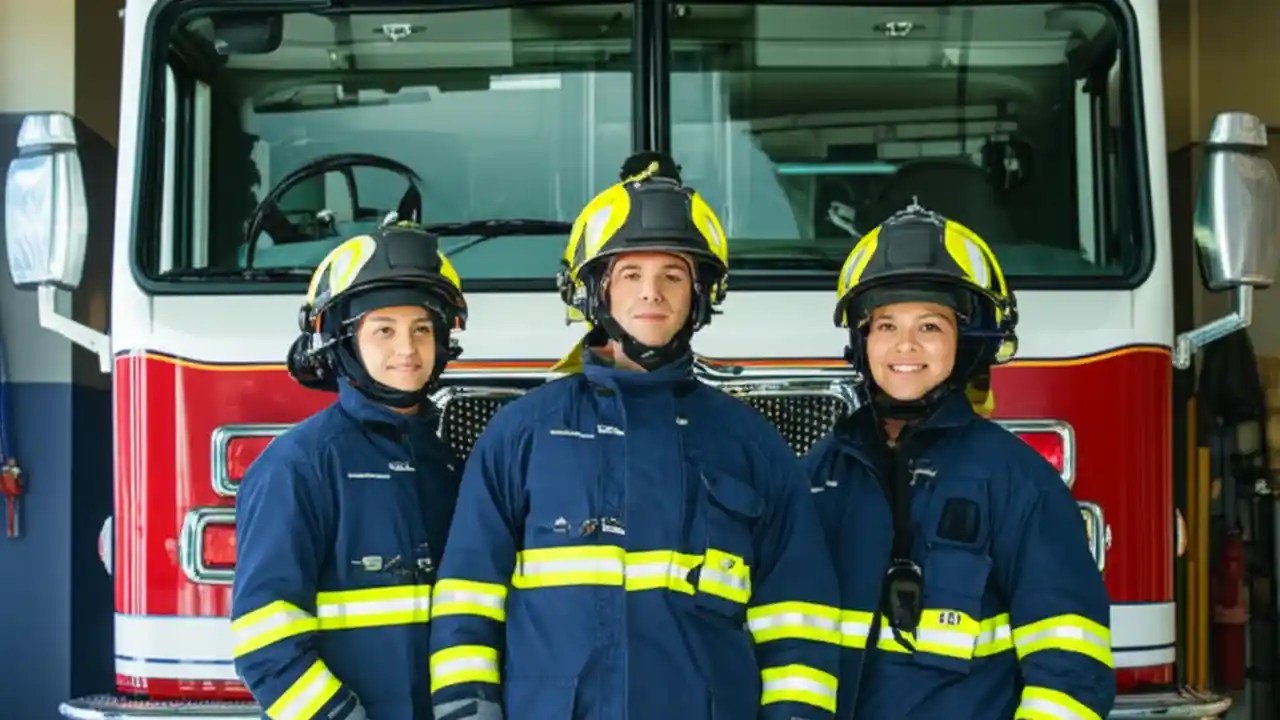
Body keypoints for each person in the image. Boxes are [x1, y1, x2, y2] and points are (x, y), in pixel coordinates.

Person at [428, 159, 842, 720]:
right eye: (630, 274)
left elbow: (800, 614)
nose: (652, 293)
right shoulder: (520, 436)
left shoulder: (750, 443)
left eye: (672, 275)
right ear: (595, 290)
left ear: (700, 294)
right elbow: (467, 599)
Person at [803, 202, 1116, 719]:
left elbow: (1071, 672)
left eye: (929, 326)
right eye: (885, 325)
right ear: (861, 341)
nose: (904, 344)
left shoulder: (1018, 483)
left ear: (967, 342)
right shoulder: (821, 476)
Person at [230, 224, 468, 720]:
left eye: (421, 329)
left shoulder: (450, 464)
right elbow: (265, 642)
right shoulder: (297, 467)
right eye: (384, 329)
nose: (407, 349)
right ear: (341, 339)